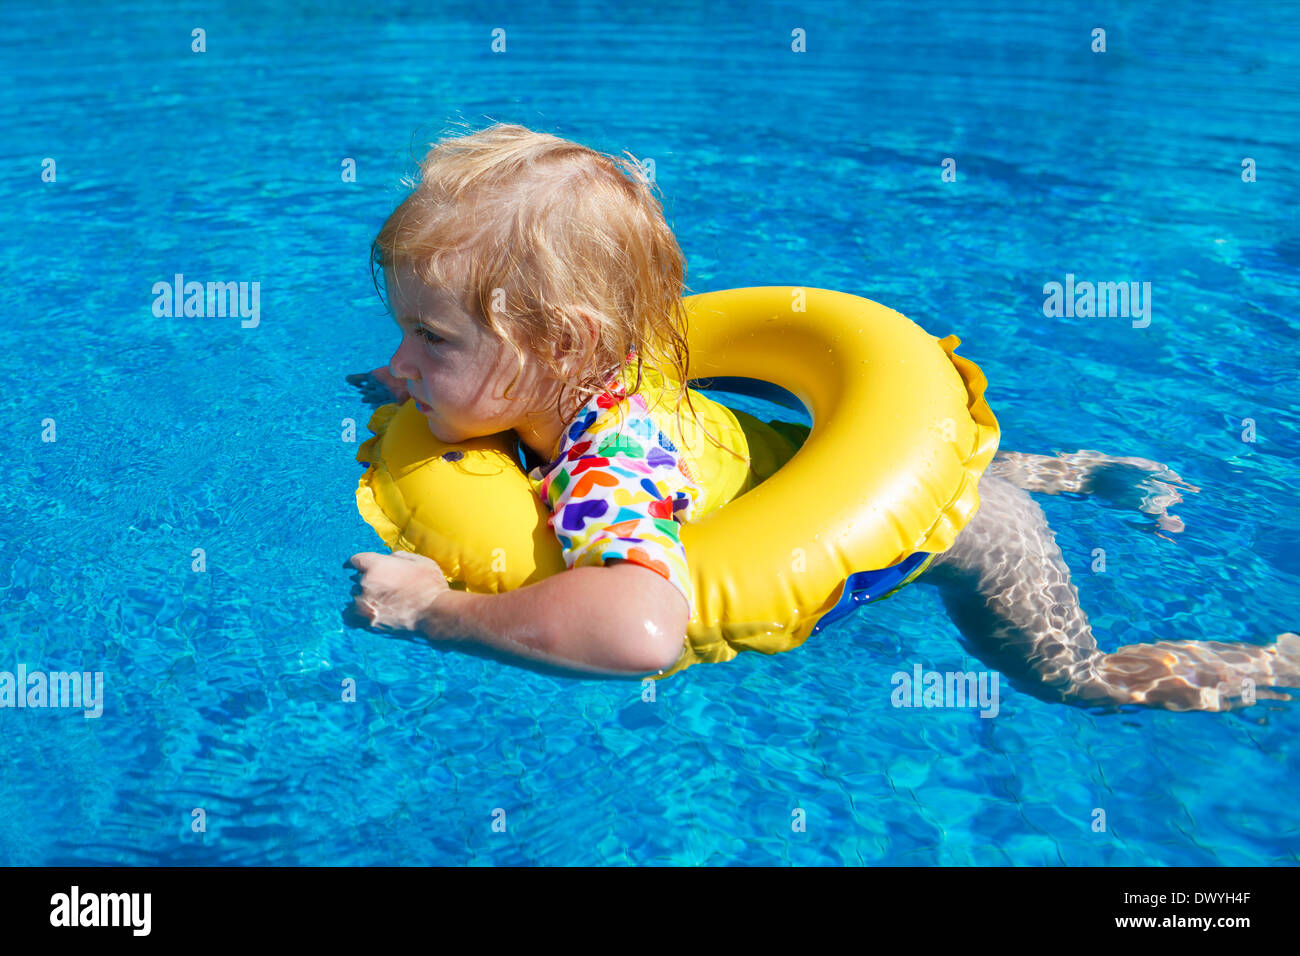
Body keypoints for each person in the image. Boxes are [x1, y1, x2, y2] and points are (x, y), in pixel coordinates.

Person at [347, 123, 1300, 711]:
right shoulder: (585, 364)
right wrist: (422, 383)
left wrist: (439, 610)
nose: (401, 363)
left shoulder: (611, 465)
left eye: (430, 339)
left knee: (1072, 682)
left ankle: (1270, 666)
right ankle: (1066, 469)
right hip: (808, 458)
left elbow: (638, 632)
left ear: (562, 344)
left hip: (964, 534)